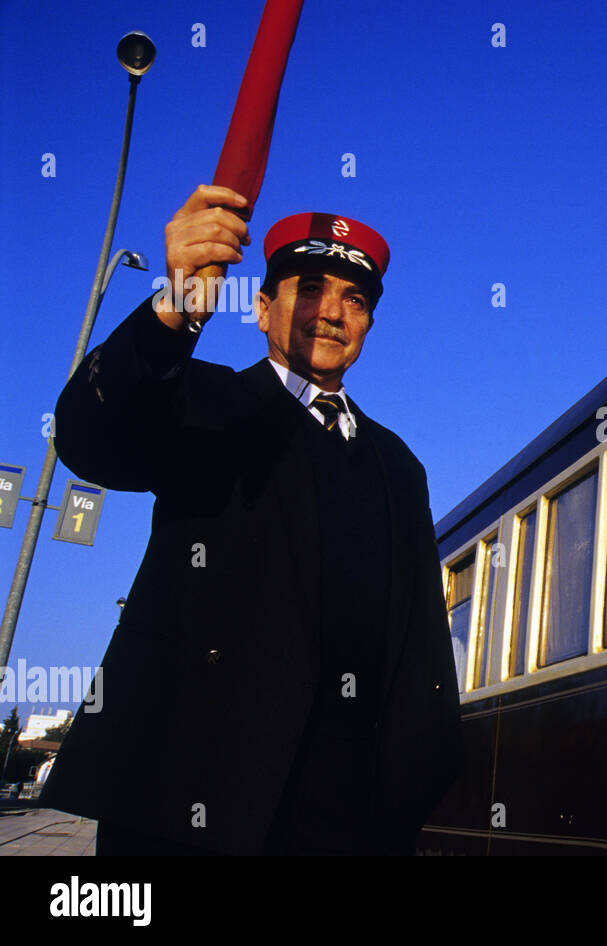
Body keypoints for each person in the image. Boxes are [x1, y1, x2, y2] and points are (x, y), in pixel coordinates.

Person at [40, 185, 464, 855]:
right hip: (188, 806)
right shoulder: (205, 400)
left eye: (354, 300)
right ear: (263, 308)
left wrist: (410, 792)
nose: (332, 313)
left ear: (370, 327)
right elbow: (90, 434)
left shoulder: (398, 465)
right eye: (311, 289)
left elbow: (417, 649)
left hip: (344, 823)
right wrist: (175, 303)